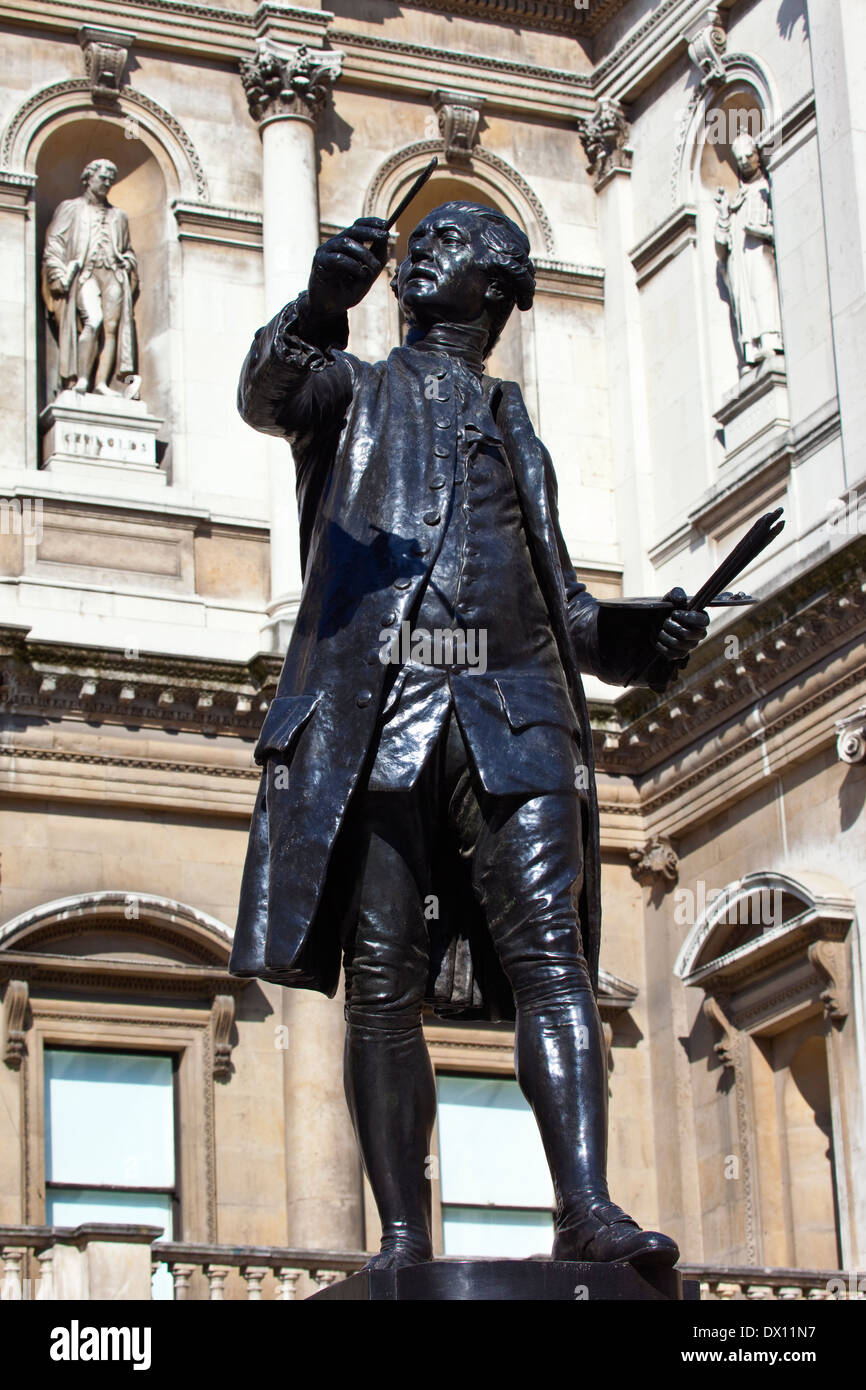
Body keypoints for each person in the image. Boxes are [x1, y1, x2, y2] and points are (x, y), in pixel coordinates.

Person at [230, 201, 709, 1270]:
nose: (418, 253)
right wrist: (317, 301)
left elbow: (572, 618)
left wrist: (650, 634)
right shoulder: (348, 390)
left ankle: (584, 1206)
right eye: (419, 240)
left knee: (552, 960)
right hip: (385, 715)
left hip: (517, 714)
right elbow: (266, 392)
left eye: (448, 242)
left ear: (493, 285)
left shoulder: (512, 422)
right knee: (383, 972)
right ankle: (402, 1236)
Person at [42, 158, 139, 396]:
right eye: (102, 177)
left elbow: (127, 250)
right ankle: (82, 379)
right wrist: (58, 272)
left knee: (111, 327)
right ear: (88, 178)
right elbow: (54, 243)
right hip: (85, 275)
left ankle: (101, 383)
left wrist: (128, 260)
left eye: (110, 179)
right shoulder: (71, 208)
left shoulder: (119, 216)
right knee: (93, 320)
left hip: (112, 274)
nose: (106, 182)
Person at [714, 132, 784, 371]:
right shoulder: (737, 200)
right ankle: (750, 351)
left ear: (757, 156)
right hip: (740, 259)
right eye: (740, 158)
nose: (744, 162)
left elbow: (780, 228)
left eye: (748, 156)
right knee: (744, 300)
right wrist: (724, 214)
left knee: (763, 291)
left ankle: (770, 340)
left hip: (760, 252)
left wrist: (763, 230)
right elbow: (721, 244)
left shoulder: (766, 188)